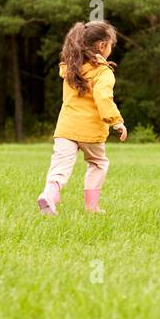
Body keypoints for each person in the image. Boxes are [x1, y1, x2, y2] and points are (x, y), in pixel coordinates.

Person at [36, 21, 127, 215]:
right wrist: (116, 121)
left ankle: (50, 194)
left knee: (60, 167)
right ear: (102, 46)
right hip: (90, 131)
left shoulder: (71, 68)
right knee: (98, 164)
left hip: (66, 129)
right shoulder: (103, 72)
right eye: (111, 44)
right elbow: (103, 98)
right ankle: (92, 208)